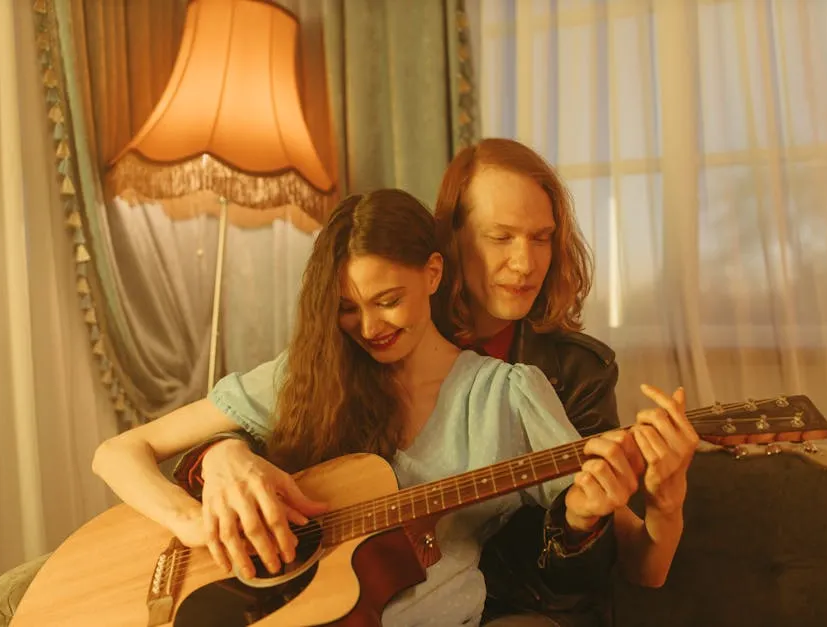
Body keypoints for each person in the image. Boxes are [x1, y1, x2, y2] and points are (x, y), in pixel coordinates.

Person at [88, 189, 641, 626]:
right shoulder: (309, 371)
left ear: (432, 273)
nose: (370, 329)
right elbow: (117, 452)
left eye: (388, 301)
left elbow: (623, 540)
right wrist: (194, 515)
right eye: (348, 309)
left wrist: (633, 502)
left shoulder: (508, 393)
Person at [430, 138, 700, 626]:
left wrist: (664, 502)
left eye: (541, 238)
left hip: (529, 612)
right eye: (501, 237)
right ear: (452, 238)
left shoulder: (579, 372)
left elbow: (645, 571)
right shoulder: (402, 341)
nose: (526, 263)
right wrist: (238, 455)